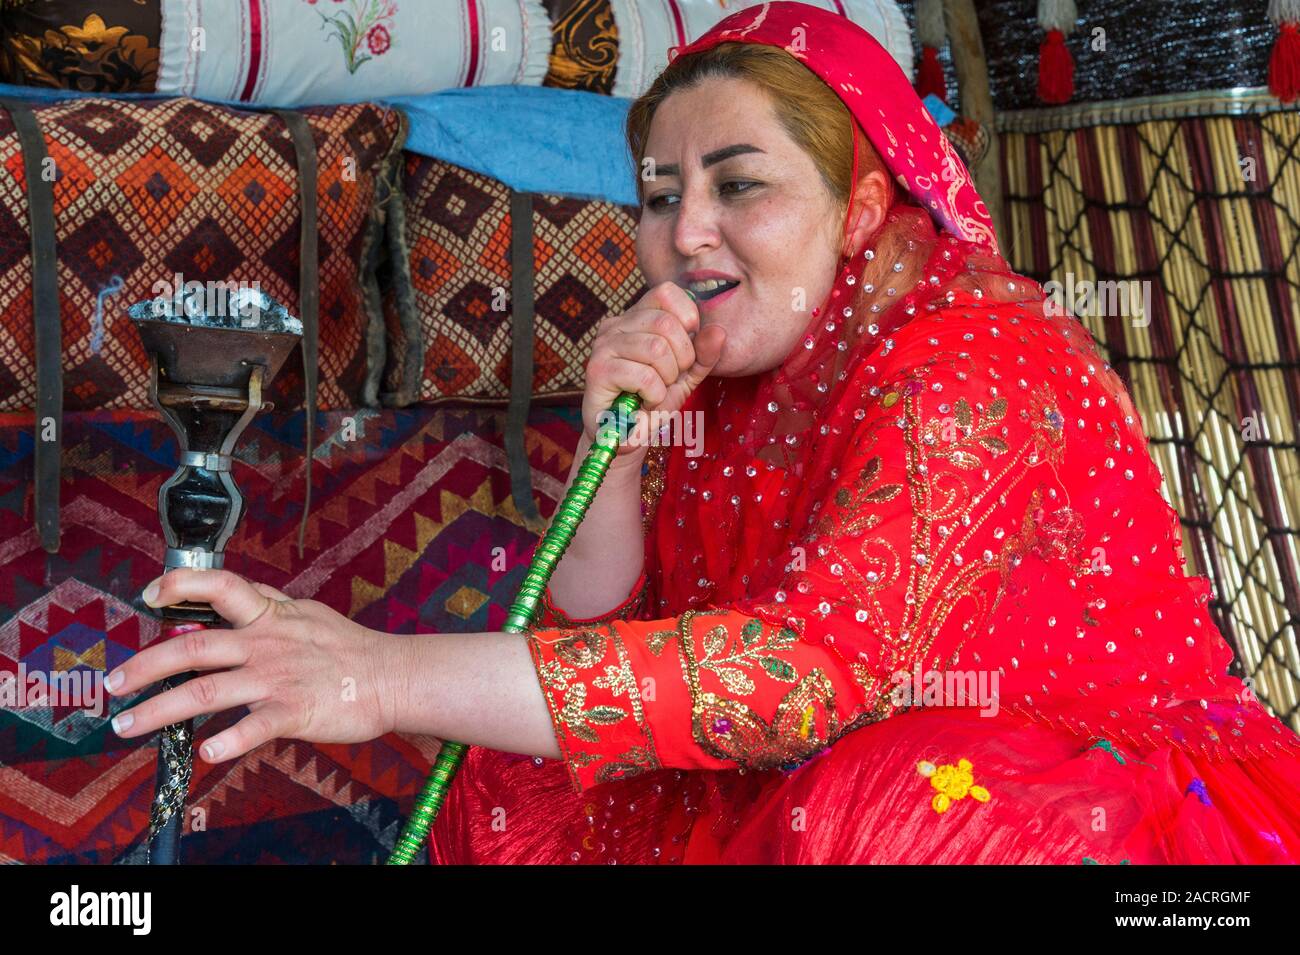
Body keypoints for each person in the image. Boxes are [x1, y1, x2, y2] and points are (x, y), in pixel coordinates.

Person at [108, 2, 1300, 864]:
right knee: (532, 763)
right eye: (661, 193)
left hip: (1086, 795)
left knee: (893, 809)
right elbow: (604, 625)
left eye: (740, 186)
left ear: (861, 209)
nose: (687, 234)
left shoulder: (976, 361)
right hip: (812, 763)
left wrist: (373, 673)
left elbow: (803, 675)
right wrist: (617, 449)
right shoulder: (732, 373)